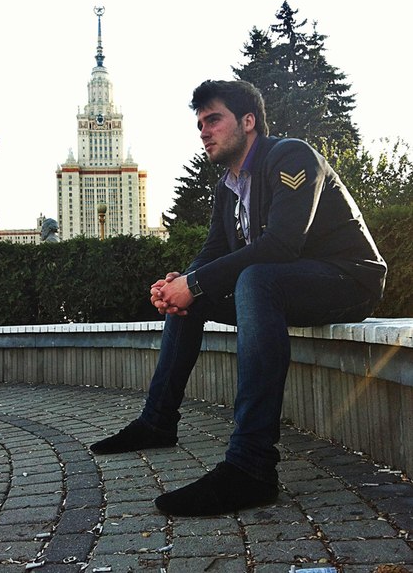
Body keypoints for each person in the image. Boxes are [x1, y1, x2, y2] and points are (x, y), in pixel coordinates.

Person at [90, 79, 387, 516]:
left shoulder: (291, 156)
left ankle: (252, 466)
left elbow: (281, 245)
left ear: (248, 122)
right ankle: (157, 421)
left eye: (213, 120)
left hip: (348, 279)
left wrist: (194, 282)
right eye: (199, 124)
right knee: (202, 294)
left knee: (254, 279)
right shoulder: (227, 186)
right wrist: (179, 284)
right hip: (287, 287)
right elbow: (212, 252)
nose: (204, 132)